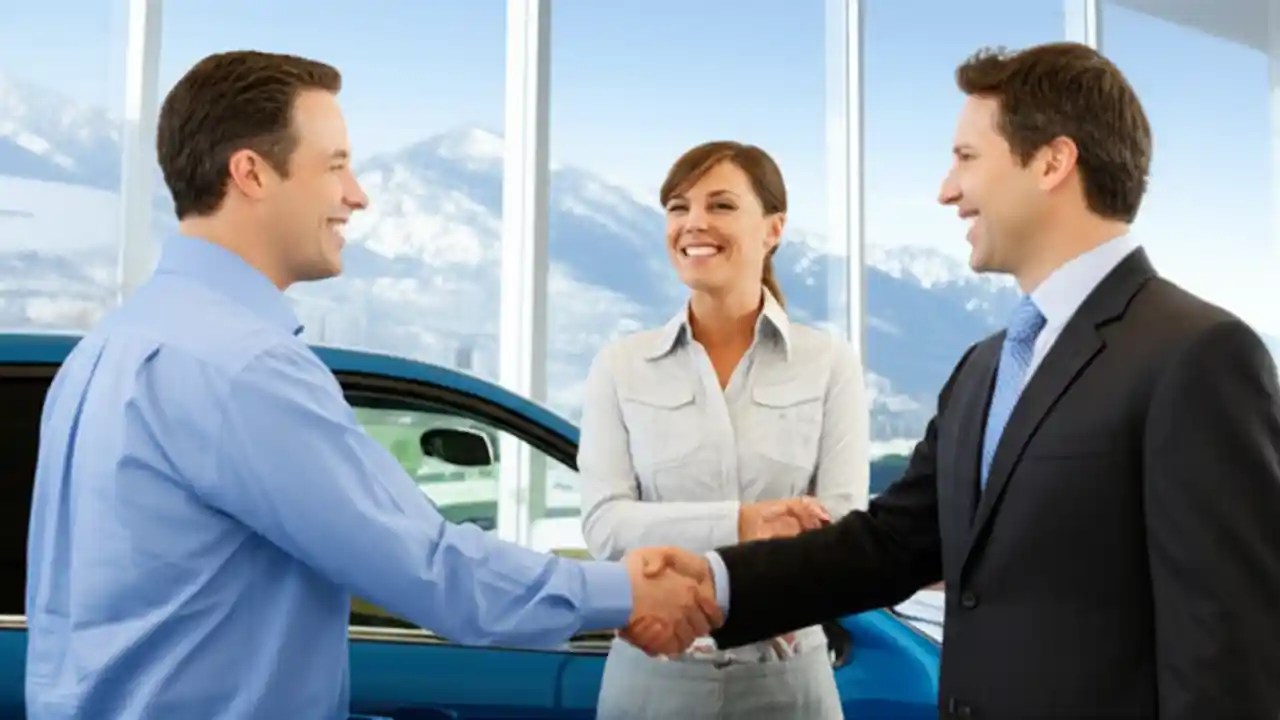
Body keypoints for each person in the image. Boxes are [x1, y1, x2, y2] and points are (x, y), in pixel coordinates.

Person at [23, 50, 717, 720]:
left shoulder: (108, 348)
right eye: (336, 166)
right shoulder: (243, 368)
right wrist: (623, 590)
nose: (357, 194)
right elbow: (431, 570)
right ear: (252, 174)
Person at [627, 42, 1280, 719]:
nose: (947, 189)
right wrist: (717, 581)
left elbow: (1227, 656)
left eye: (967, 158)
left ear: (1053, 162)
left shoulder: (1198, 356)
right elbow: (890, 544)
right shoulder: (984, 368)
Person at [578, 140, 868, 719]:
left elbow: (839, 533)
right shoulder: (621, 364)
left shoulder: (829, 362)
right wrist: (746, 523)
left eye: (721, 205)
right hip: (651, 684)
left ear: (774, 228)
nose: (694, 224)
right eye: (679, 207)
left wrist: (685, 547)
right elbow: (607, 526)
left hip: (788, 683)